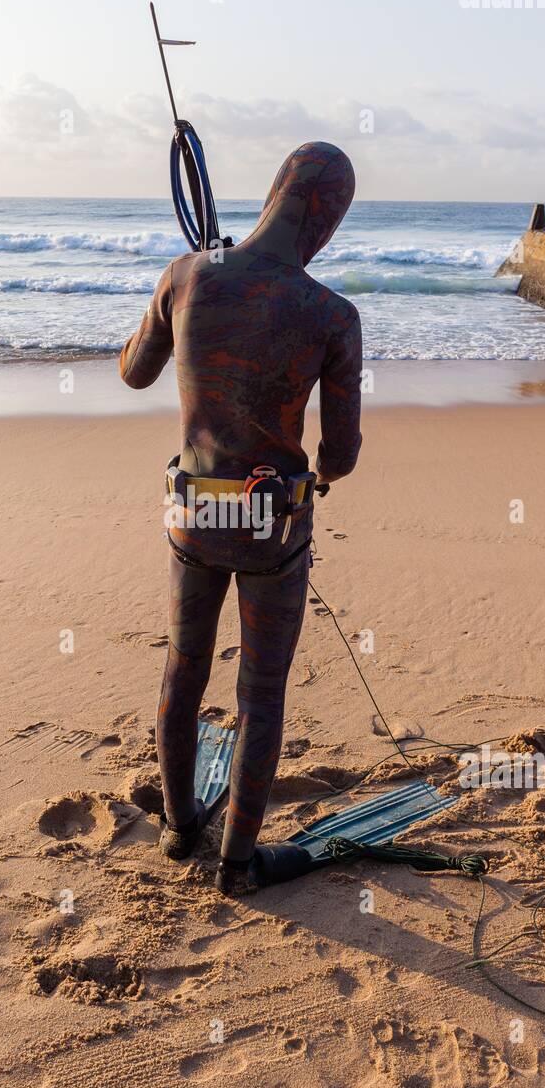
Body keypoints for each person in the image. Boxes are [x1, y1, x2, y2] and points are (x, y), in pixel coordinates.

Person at [119, 141, 362, 894]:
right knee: (260, 692)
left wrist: (187, 284)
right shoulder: (330, 314)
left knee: (183, 668)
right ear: (327, 219)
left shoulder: (187, 275)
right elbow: (340, 454)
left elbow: (133, 371)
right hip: (272, 531)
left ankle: (178, 825)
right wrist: (315, 471)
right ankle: (237, 863)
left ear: (273, 193)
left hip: (193, 519)